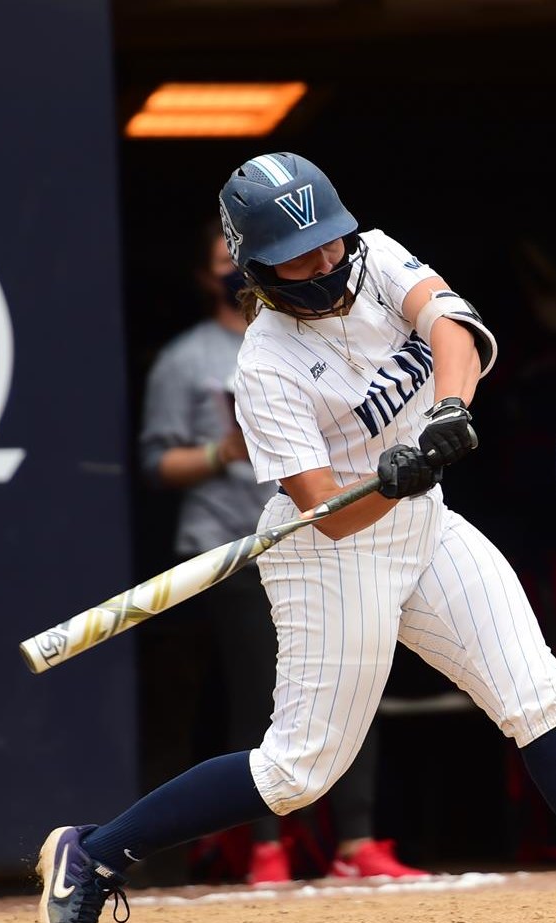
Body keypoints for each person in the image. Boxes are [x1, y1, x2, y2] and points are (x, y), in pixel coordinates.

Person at [35, 152, 556, 923]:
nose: (325, 262)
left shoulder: (378, 254)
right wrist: (399, 475)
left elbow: (452, 328)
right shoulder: (265, 366)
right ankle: (95, 853)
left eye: (328, 241)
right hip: (334, 555)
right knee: (297, 772)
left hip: (427, 525)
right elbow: (327, 513)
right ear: (256, 267)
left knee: (536, 697)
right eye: (300, 253)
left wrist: (447, 414)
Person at [138, 221, 424, 885]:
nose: (231, 275)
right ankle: (265, 848)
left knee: (357, 676)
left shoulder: (328, 328)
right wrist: (223, 452)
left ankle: (356, 840)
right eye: (219, 264)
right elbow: (154, 462)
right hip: (238, 541)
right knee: (262, 695)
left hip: (336, 529)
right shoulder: (188, 359)